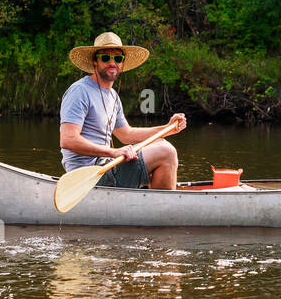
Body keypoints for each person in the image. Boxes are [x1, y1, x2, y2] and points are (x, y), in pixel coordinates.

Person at [59, 32, 187, 189]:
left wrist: (168, 129)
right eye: (106, 58)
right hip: (87, 175)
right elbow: (68, 140)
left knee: (161, 142)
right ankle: (163, 208)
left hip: (106, 165)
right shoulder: (80, 91)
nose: (112, 63)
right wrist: (113, 152)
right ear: (95, 62)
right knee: (166, 152)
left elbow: (127, 135)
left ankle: (152, 203)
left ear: (122, 64)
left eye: (118, 59)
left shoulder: (113, 96)